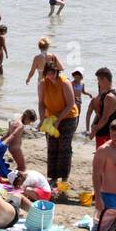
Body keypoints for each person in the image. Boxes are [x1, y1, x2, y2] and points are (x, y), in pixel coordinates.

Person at [37, 59, 78, 188]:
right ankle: (53, 177)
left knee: (64, 147)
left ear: (57, 71)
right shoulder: (43, 84)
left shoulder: (64, 83)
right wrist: (42, 119)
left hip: (68, 117)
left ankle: (64, 178)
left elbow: (70, 104)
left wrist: (59, 120)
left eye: (52, 72)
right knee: (52, 146)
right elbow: (41, 103)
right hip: (51, 117)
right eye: (47, 73)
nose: (50, 75)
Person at [85, 66, 116, 149]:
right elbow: (100, 114)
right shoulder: (110, 94)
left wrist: (94, 129)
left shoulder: (109, 97)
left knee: (103, 158)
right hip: (107, 133)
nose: (98, 83)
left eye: (98, 80)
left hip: (105, 134)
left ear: (104, 79)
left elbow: (104, 118)